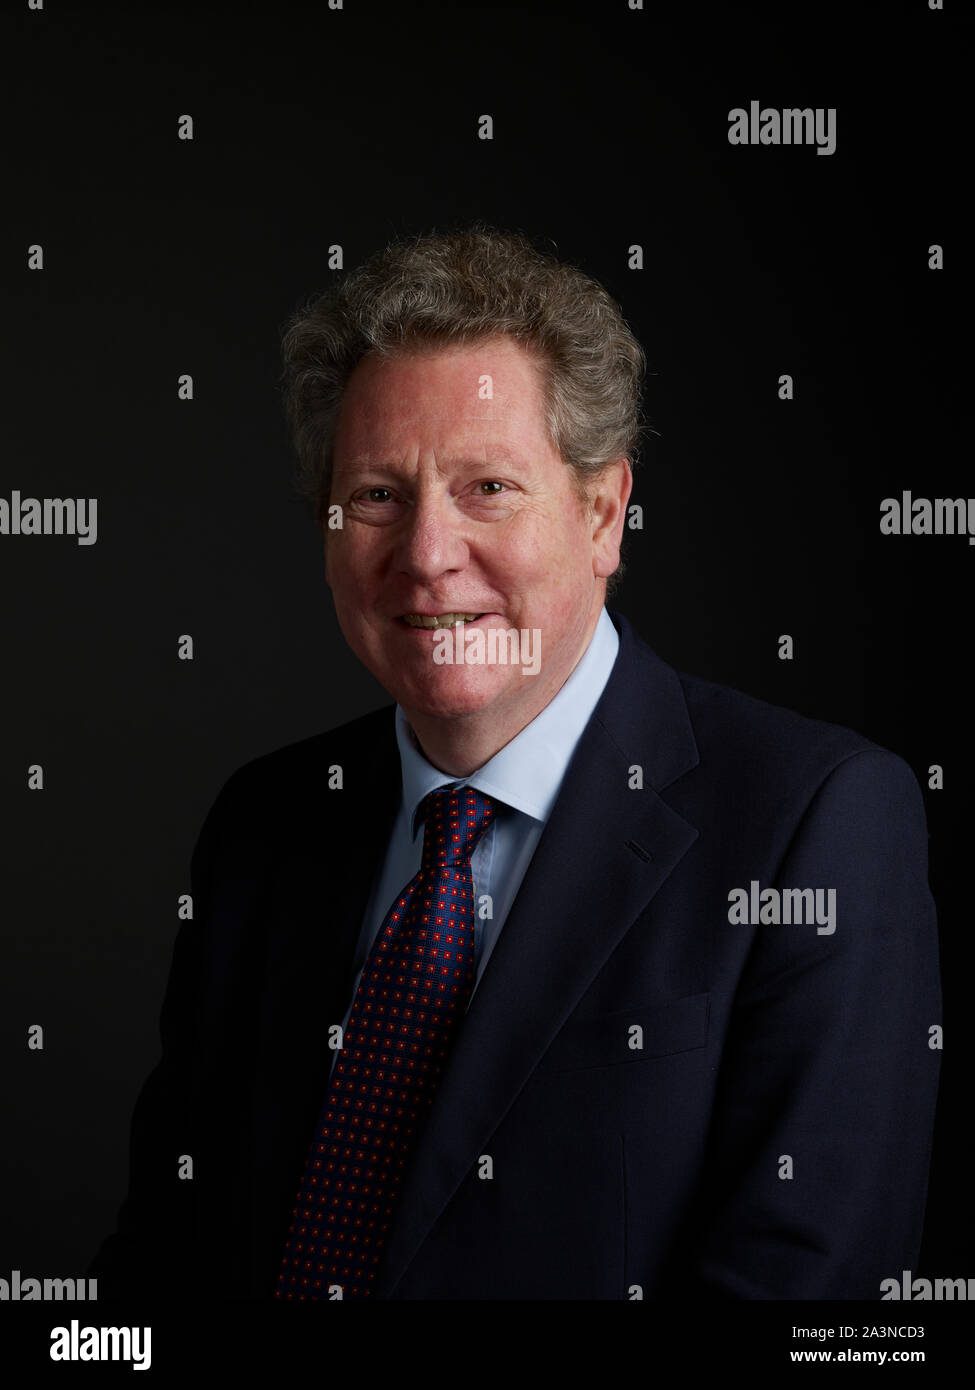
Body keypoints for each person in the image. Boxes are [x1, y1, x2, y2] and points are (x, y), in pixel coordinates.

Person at [89, 224, 941, 1300]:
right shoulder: (267, 823)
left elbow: (807, 1304)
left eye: (487, 487)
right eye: (377, 496)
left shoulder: (813, 821)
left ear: (602, 514)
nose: (429, 554)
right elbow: (161, 1266)